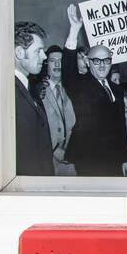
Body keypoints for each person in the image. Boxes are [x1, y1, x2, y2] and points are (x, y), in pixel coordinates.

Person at [62, 3, 127, 177]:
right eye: (96, 61)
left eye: (106, 60)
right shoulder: (80, 85)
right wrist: (74, 31)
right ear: (87, 62)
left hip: (114, 159)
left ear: (111, 62)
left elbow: (120, 127)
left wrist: (126, 158)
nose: (102, 65)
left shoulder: (116, 89)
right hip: (89, 159)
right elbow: (67, 70)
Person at [14, 22, 54, 176]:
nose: (44, 56)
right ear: (19, 52)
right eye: (38, 51)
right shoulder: (12, 93)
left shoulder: (28, 87)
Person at [37, 46, 76, 176]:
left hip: (72, 160)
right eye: (53, 60)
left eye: (61, 60)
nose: (58, 64)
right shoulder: (37, 90)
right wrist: (54, 150)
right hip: (47, 159)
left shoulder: (72, 89)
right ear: (46, 63)